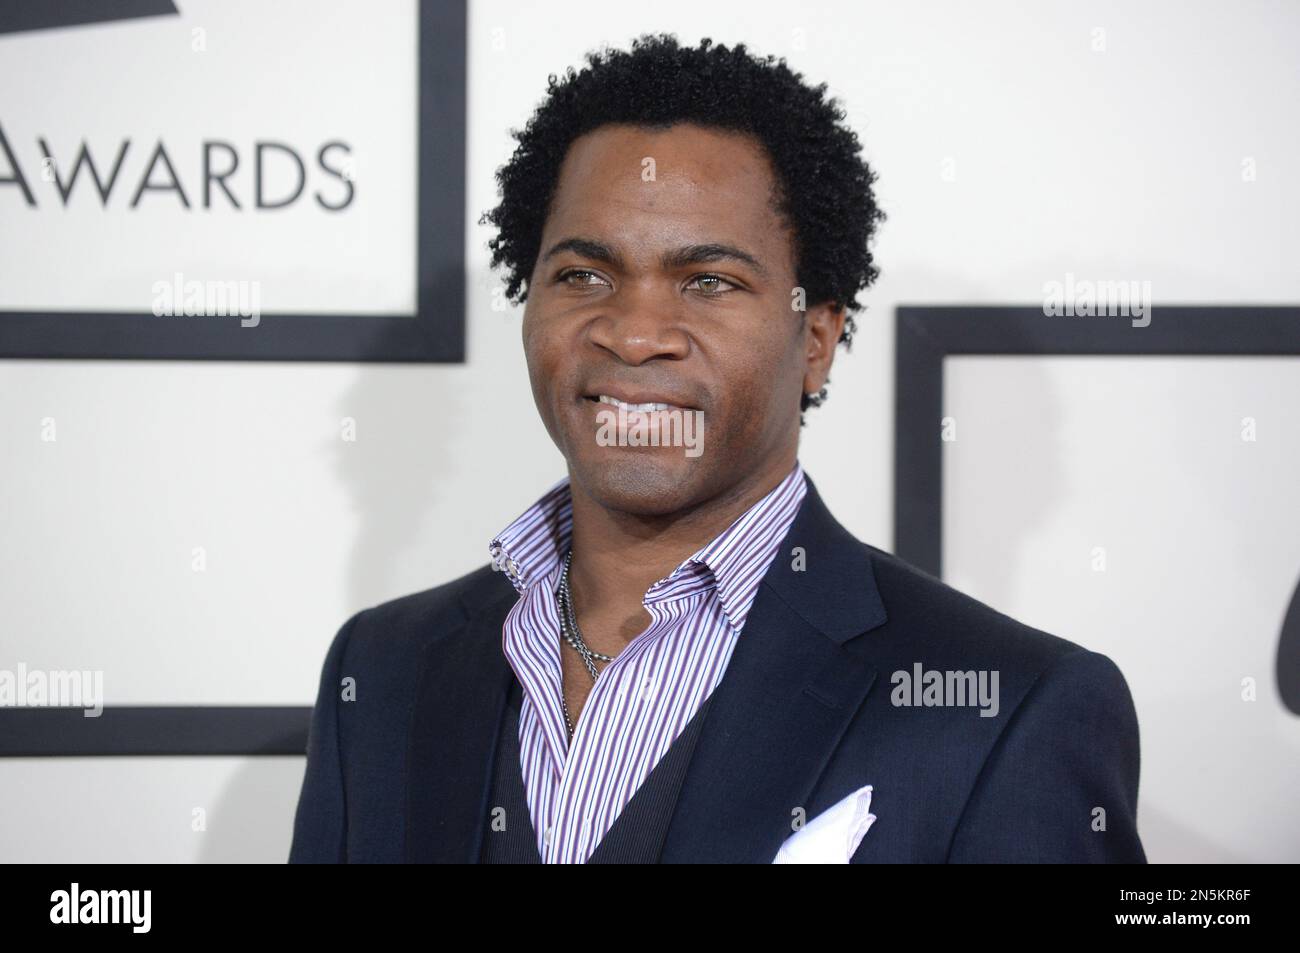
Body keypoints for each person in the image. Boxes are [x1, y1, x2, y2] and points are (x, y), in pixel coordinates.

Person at [289, 34, 1145, 864]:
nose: (635, 335)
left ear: (816, 339)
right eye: (584, 275)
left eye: (709, 282)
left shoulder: (1006, 708)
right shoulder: (384, 669)